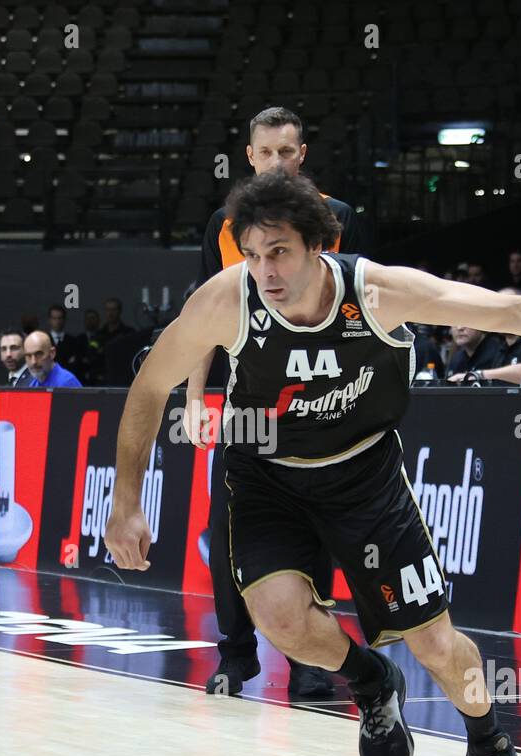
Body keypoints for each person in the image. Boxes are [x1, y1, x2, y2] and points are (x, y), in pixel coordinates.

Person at [105, 171, 521, 756]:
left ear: (319, 246)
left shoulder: (377, 292)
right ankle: (370, 679)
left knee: (436, 644)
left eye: (280, 253)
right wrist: (125, 500)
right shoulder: (227, 300)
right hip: (266, 476)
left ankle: (490, 745)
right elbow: (148, 389)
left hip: (364, 478)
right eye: (253, 254)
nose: (265, 271)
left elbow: (508, 311)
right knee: (279, 617)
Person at [187, 105, 365, 700]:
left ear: (302, 156)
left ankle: (312, 663)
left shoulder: (337, 218)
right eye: (265, 153)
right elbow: (202, 322)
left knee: (314, 533)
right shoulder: (223, 224)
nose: (276, 164)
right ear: (250, 159)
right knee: (228, 532)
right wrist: (194, 397)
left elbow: (360, 311)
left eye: (287, 152)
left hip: (319, 405)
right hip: (246, 407)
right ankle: (236, 658)